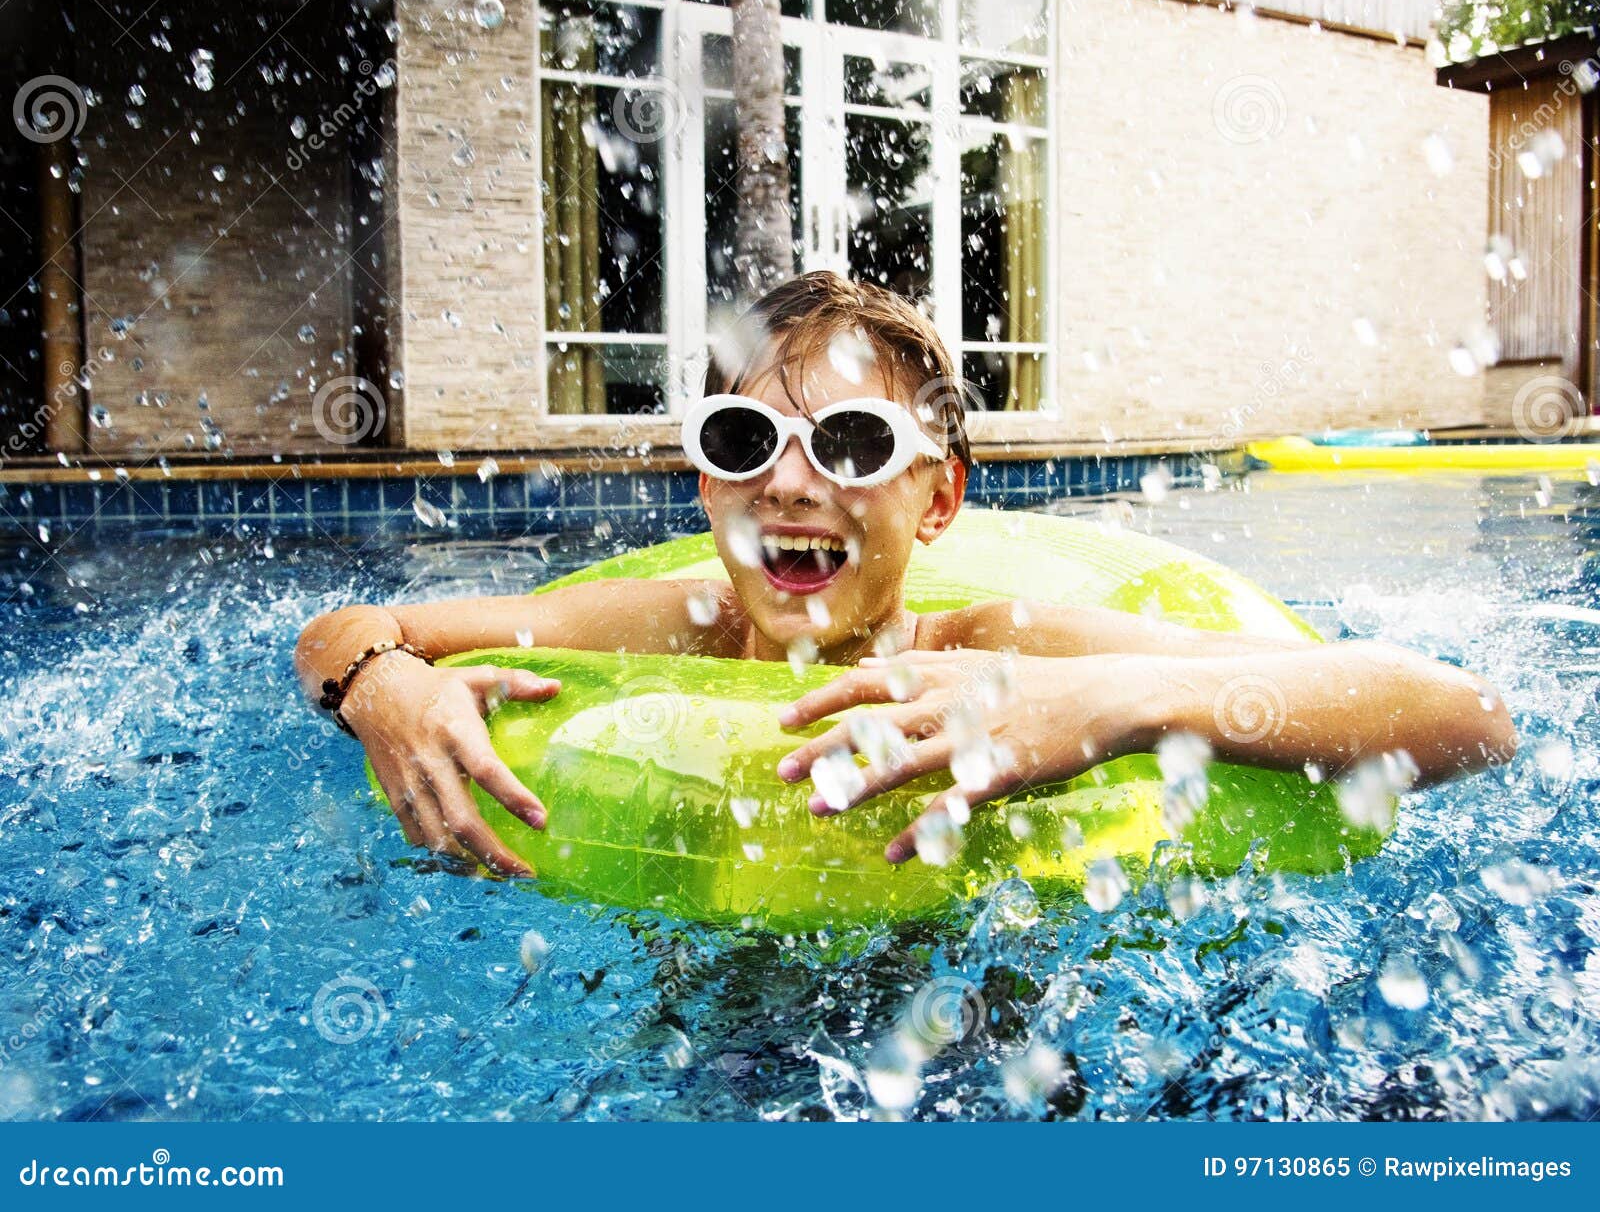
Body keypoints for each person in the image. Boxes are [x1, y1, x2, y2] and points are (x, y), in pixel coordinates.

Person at [295, 272, 1516, 875]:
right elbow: (350, 623)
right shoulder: (689, 622)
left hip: (968, 973)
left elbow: (1466, 714)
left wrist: (1108, 703)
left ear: (938, 496)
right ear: (706, 485)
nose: (788, 483)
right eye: (742, 441)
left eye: (852, 442)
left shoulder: (997, 645)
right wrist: (382, 684)